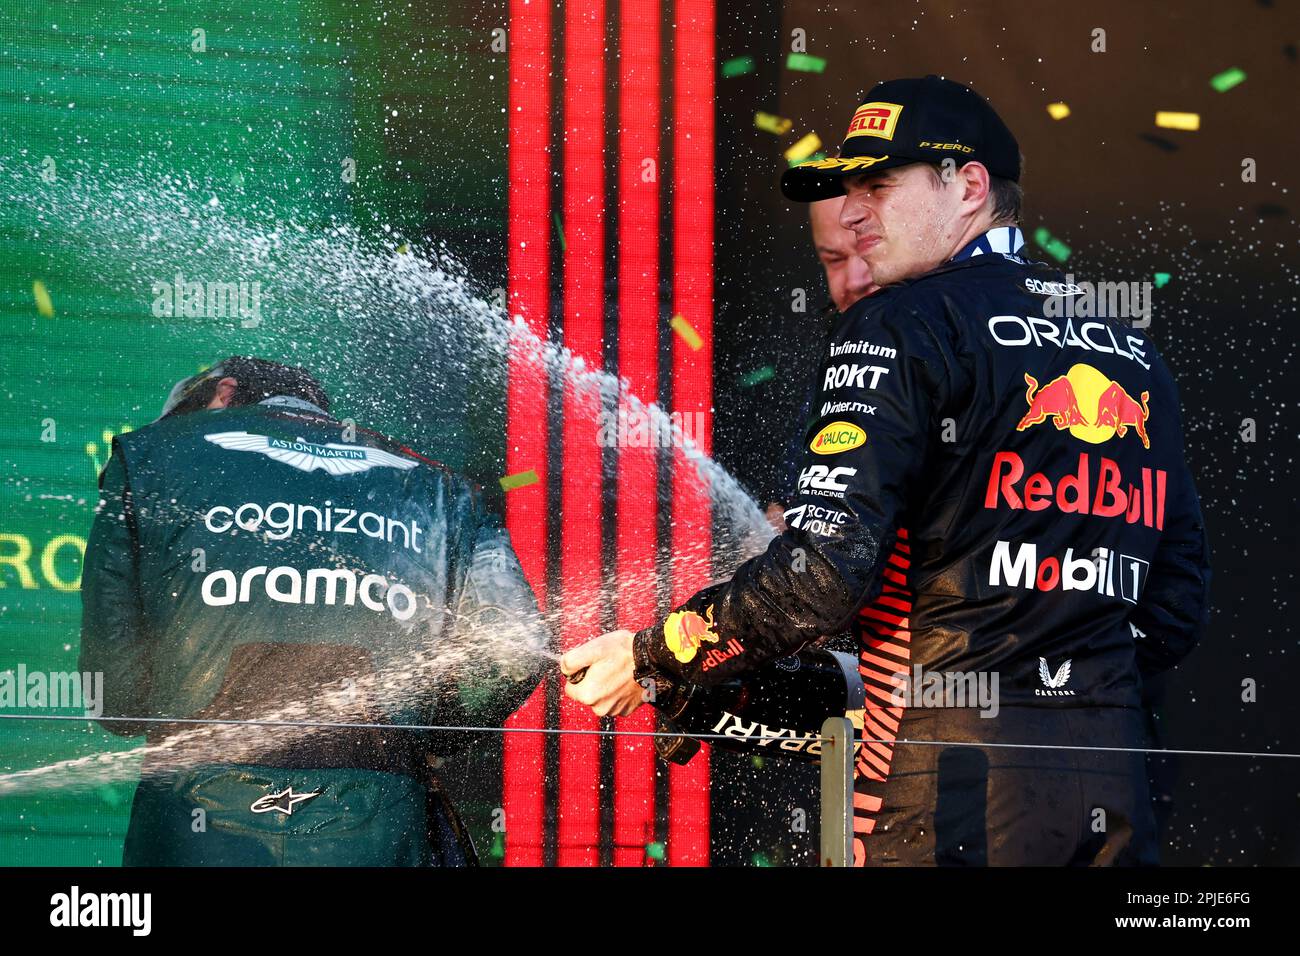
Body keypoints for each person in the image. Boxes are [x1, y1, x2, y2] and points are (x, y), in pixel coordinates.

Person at [563, 76, 1211, 865]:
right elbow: (1174, 607)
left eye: (879, 184)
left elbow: (821, 576)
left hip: (950, 782)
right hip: (1114, 782)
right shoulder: (1131, 350)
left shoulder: (900, 319)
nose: (855, 210)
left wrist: (654, 651)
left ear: (970, 186)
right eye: (848, 188)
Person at [80, 356, 551, 866]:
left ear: (223, 393)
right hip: (382, 817)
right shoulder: (440, 486)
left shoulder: (147, 455)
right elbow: (517, 651)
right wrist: (431, 734)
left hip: (192, 823)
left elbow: (117, 698)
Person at [764, 196, 880, 531]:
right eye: (835, 259)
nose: (856, 278)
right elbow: (780, 509)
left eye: (870, 248)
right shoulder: (825, 351)